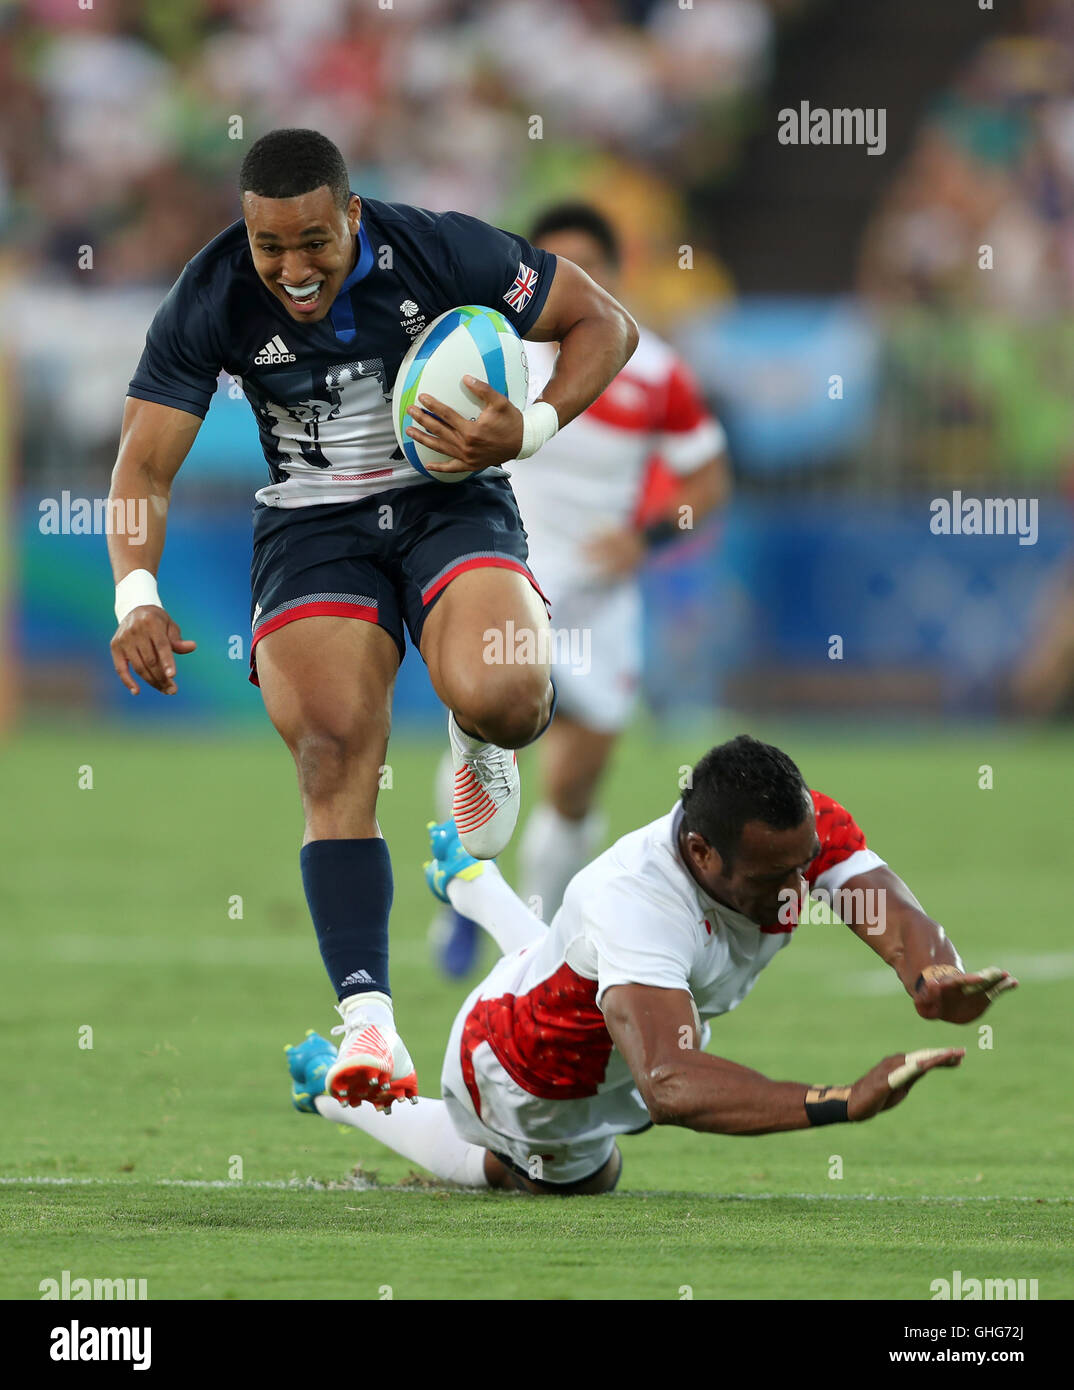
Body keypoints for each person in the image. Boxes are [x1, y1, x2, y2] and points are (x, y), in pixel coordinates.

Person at [106, 129, 638, 1113]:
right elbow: (142, 462)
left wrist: (529, 425)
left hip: (451, 500)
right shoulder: (212, 290)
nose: (293, 270)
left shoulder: (439, 249)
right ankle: (370, 1024)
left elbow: (603, 323)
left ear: (352, 214)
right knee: (329, 748)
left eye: (315, 241)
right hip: (315, 528)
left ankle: (483, 735)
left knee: (510, 694)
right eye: (272, 247)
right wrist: (136, 592)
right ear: (248, 234)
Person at [288, 734, 1016, 1193]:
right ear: (701, 854)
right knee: (563, 1179)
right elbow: (668, 1083)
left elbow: (880, 907)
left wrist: (930, 978)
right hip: (524, 1070)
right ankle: (335, 1089)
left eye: (806, 867)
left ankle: (478, 887)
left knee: (578, 962)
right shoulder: (636, 902)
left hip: (581, 986)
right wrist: (836, 1101)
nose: (801, 891)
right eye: (776, 880)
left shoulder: (785, 836)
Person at [430, 202, 730, 977]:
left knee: (577, 782)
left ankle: (530, 920)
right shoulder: (487, 351)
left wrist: (650, 536)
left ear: (607, 276)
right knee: (489, 742)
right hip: (506, 580)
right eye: (546, 269)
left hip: (601, 599)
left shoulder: (654, 370)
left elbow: (709, 479)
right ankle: (466, 902)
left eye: (579, 270)